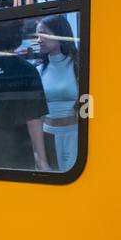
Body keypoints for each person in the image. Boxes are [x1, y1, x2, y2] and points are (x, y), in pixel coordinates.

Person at [0, 20, 50, 171]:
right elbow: (33, 120)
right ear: (18, 39)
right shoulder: (27, 69)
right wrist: (42, 160)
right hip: (18, 147)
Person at [36, 15, 80, 172]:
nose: (39, 39)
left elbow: (89, 109)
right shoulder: (39, 70)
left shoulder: (79, 66)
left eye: (44, 33)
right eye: (37, 34)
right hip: (48, 135)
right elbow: (37, 113)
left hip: (75, 134)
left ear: (60, 35)